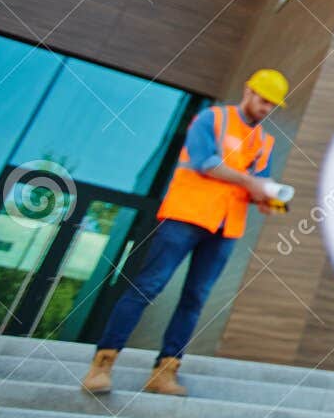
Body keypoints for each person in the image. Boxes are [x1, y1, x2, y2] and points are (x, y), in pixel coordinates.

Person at [80, 69, 290, 396]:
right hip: (186, 216)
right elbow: (206, 162)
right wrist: (251, 182)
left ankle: (165, 371)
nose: (266, 109)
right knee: (147, 287)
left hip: (226, 227)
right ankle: (102, 365)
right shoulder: (212, 119)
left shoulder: (265, 141)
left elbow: (258, 183)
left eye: (272, 106)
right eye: (263, 101)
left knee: (195, 299)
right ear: (248, 91)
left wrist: (264, 199)